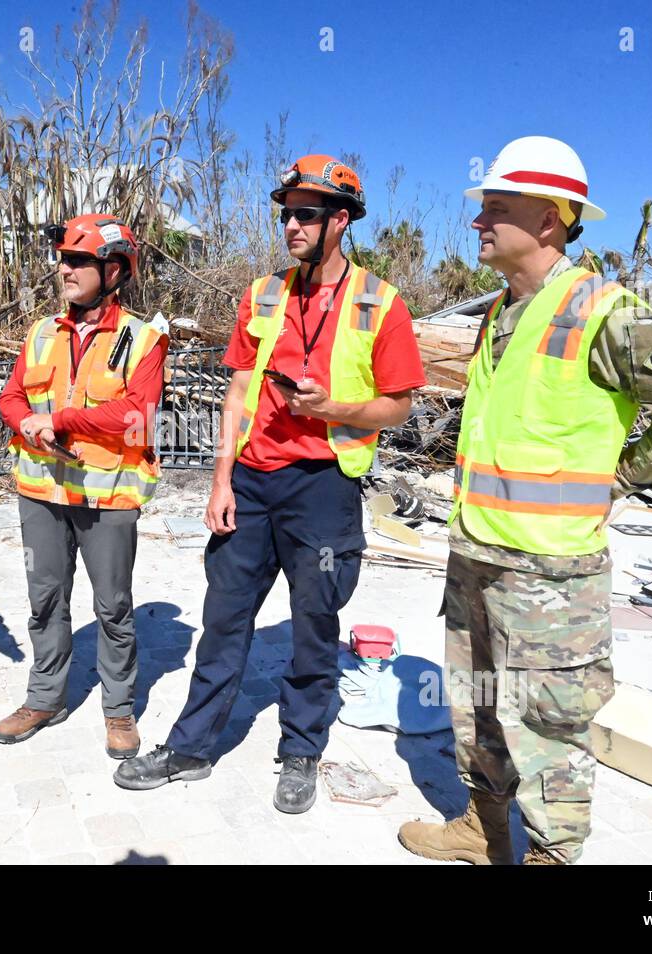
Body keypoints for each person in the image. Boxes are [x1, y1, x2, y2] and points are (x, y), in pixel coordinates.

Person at [397, 136, 652, 864]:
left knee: (550, 725)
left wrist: (621, 478)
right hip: (477, 552)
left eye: (496, 207)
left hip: (550, 572)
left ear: (550, 219)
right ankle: (483, 830)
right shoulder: (502, 312)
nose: (478, 222)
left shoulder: (604, 313)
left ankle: (552, 853)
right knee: (477, 703)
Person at [114, 154, 425, 813]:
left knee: (315, 624)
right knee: (222, 619)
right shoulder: (262, 295)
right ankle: (192, 746)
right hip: (251, 483)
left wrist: (333, 409)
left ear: (340, 222)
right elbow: (234, 393)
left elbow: (398, 405)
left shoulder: (380, 303)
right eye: (285, 212)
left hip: (325, 489)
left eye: (305, 214)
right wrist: (220, 479)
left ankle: (301, 751)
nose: (290, 224)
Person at [0, 214, 168, 760]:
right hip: (41, 492)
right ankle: (44, 698)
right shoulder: (42, 332)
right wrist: (27, 425)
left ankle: (118, 710)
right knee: (45, 600)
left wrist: (62, 422)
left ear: (113, 270)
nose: (64, 269)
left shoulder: (143, 338)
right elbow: (12, 397)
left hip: (107, 497)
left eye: (78, 260)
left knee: (113, 606)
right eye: (63, 259)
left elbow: (137, 414)